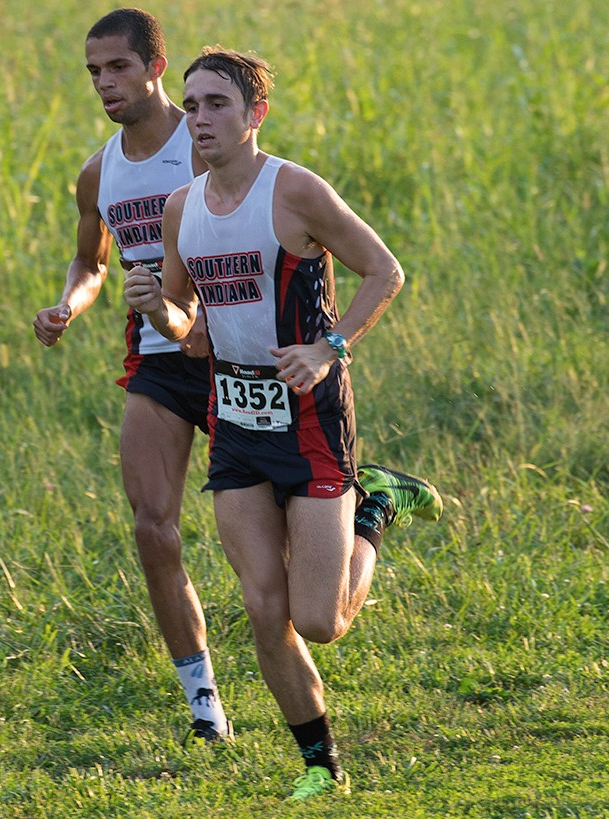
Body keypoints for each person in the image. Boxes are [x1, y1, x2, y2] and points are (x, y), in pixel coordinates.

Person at [123, 47, 443, 800]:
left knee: (319, 617)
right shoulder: (181, 209)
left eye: (217, 106)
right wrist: (152, 307)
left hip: (309, 419)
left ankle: (375, 505)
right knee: (264, 606)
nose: (200, 119)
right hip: (233, 419)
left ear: (255, 114)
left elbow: (384, 270)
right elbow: (190, 328)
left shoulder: (294, 191)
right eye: (193, 105)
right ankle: (320, 766)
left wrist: (329, 348)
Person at [32, 9, 231, 743]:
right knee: (154, 527)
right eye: (92, 72)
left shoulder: (206, 142)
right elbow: (92, 261)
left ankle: (358, 509)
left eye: (116, 67)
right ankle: (203, 701)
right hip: (156, 355)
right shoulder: (99, 171)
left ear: (155, 66)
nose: (104, 84)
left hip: (235, 349)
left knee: (270, 540)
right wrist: (67, 305)